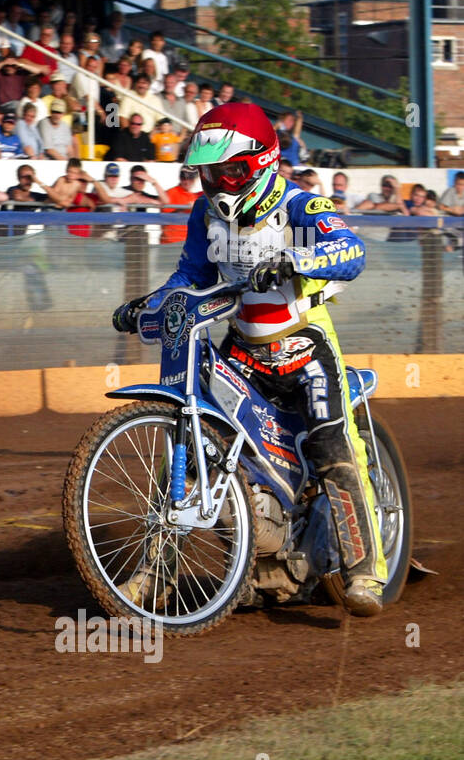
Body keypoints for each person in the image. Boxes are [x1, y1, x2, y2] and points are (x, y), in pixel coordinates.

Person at [111, 102, 387, 616]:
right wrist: (148, 304)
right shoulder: (203, 214)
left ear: (263, 163)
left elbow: (352, 252)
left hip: (304, 346)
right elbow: (190, 277)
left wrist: (295, 259)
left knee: (332, 445)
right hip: (241, 350)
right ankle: (157, 572)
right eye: (210, 174)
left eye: (232, 172)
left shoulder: (302, 205)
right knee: (190, 447)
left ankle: (364, 572)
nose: (220, 184)